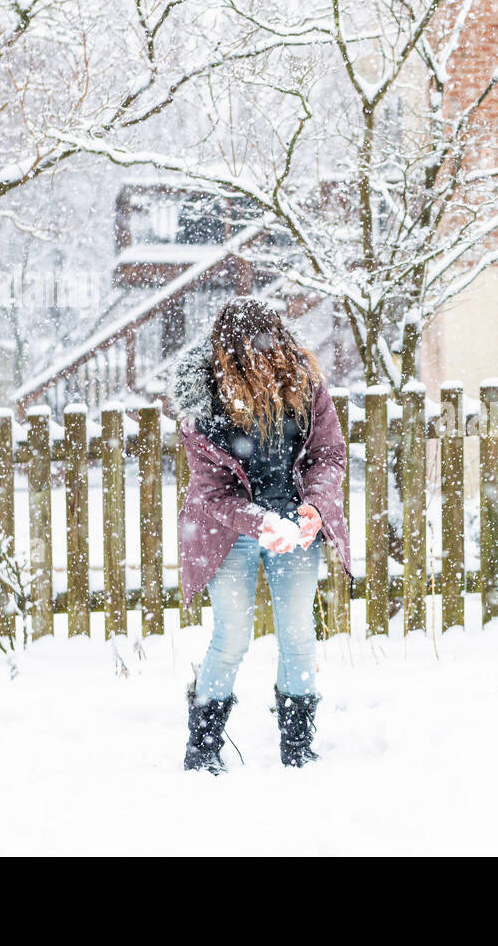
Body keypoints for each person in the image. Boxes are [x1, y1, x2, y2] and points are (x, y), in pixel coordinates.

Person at [169, 296, 352, 772]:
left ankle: (298, 749)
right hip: (229, 534)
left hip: (296, 528)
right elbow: (211, 494)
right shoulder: (202, 403)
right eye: (250, 361)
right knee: (231, 637)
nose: (264, 369)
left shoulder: (304, 384)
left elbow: (328, 455)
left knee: (298, 635)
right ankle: (203, 750)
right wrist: (259, 522)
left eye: (270, 354)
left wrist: (314, 507)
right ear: (227, 358)